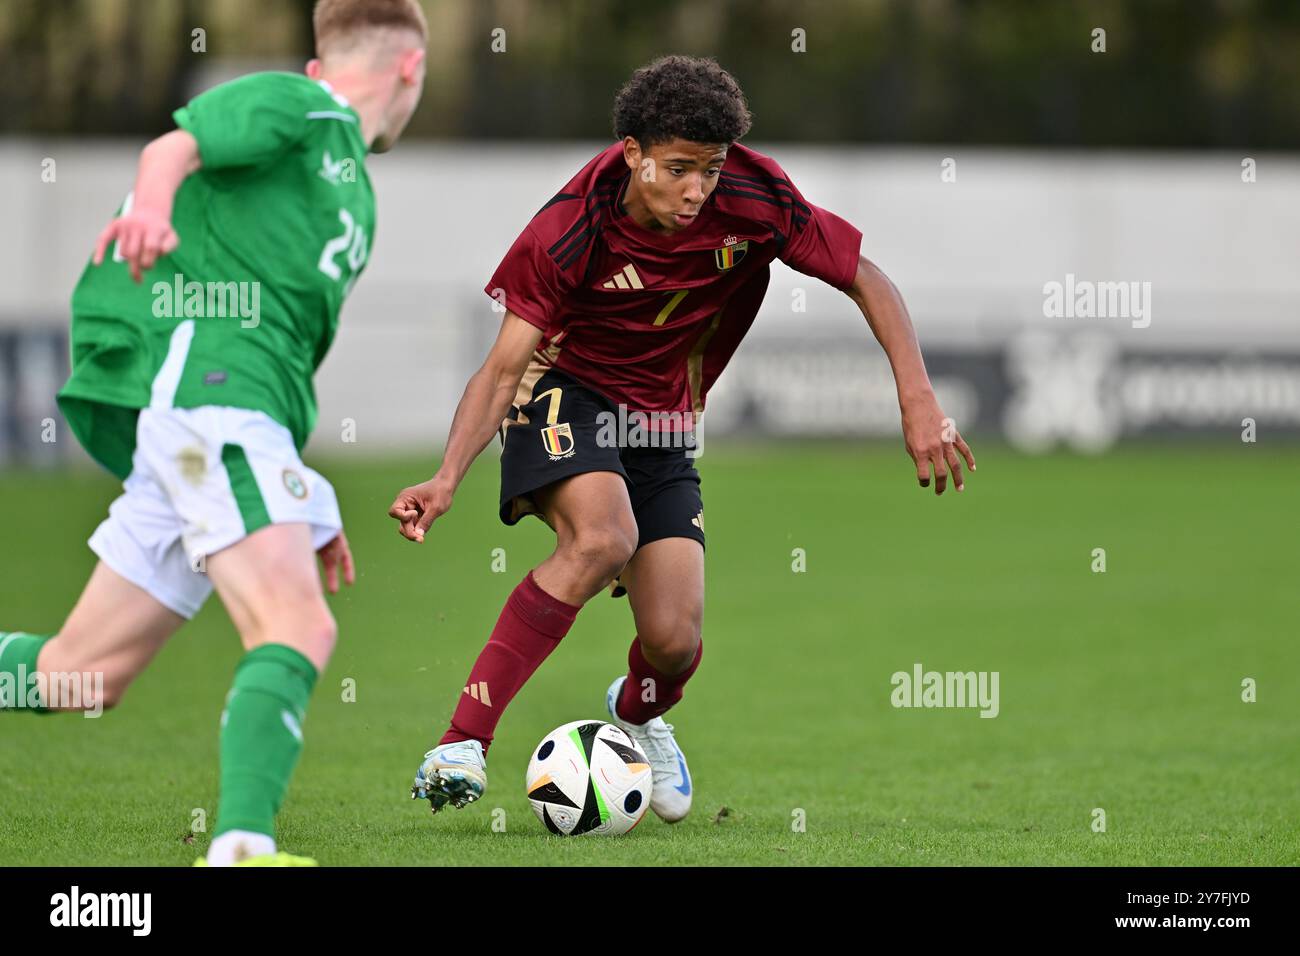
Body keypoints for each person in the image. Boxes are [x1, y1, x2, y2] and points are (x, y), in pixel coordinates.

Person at [390, 55, 975, 823]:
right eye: (678, 169)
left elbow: (865, 276)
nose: (698, 189)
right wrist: (445, 478)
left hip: (661, 423)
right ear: (632, 153)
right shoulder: (568, 226)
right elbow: (502, 370)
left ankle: (635, 716)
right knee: (602, 539)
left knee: (674, 643)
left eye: (711, 168)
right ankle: (462, 741)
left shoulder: (754, 197)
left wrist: (918, 398)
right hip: (561, 391)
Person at [0, 0, 428, 866]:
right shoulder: (307, 107)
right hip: (208, 407)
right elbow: (175, 146)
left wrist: (299, 490)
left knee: (83, 675)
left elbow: (274, 351)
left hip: (219, 423)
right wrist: (151, 209)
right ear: (412, 68)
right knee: (297, 628)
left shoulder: (344, 174)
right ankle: (241, 848)